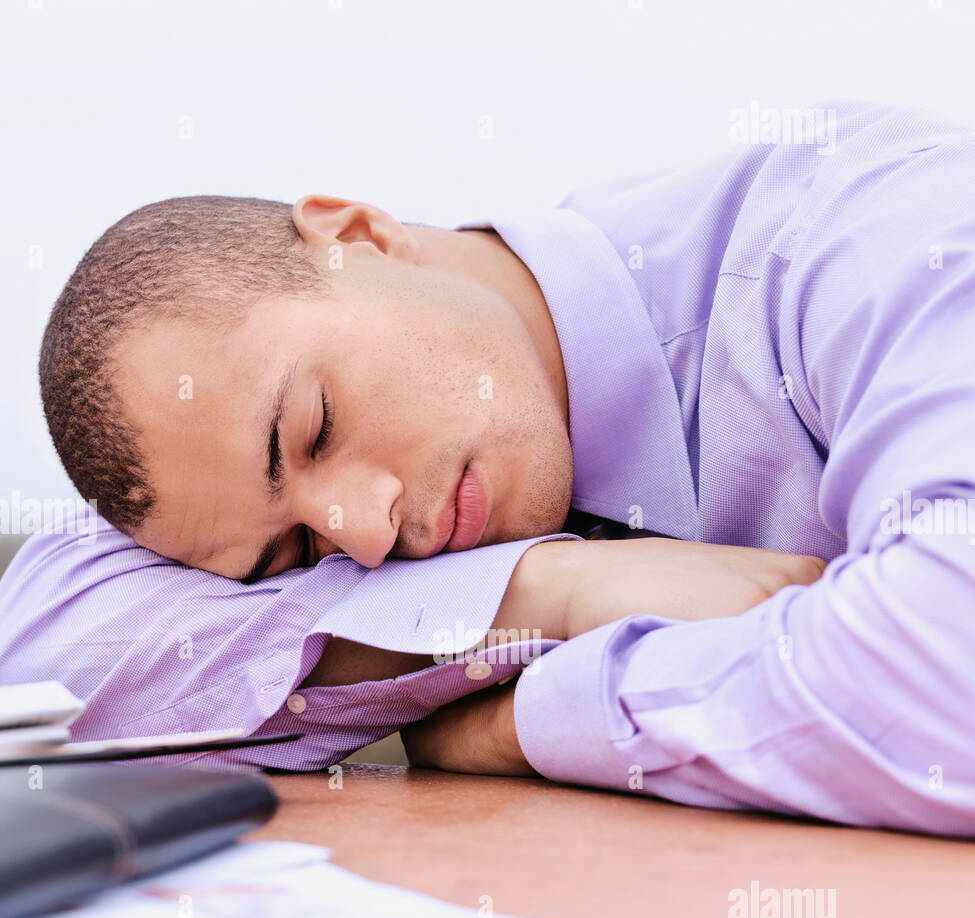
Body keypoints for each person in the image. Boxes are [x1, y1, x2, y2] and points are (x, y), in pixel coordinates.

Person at [2, 100, 973, 834]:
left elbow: (950, 675)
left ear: (357, 235)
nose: (367, 531)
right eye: (298, 549)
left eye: (315, 428)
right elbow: (43, 668)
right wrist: (543, 592)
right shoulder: (457, 494)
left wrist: (531, 723)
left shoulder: (873, 236)